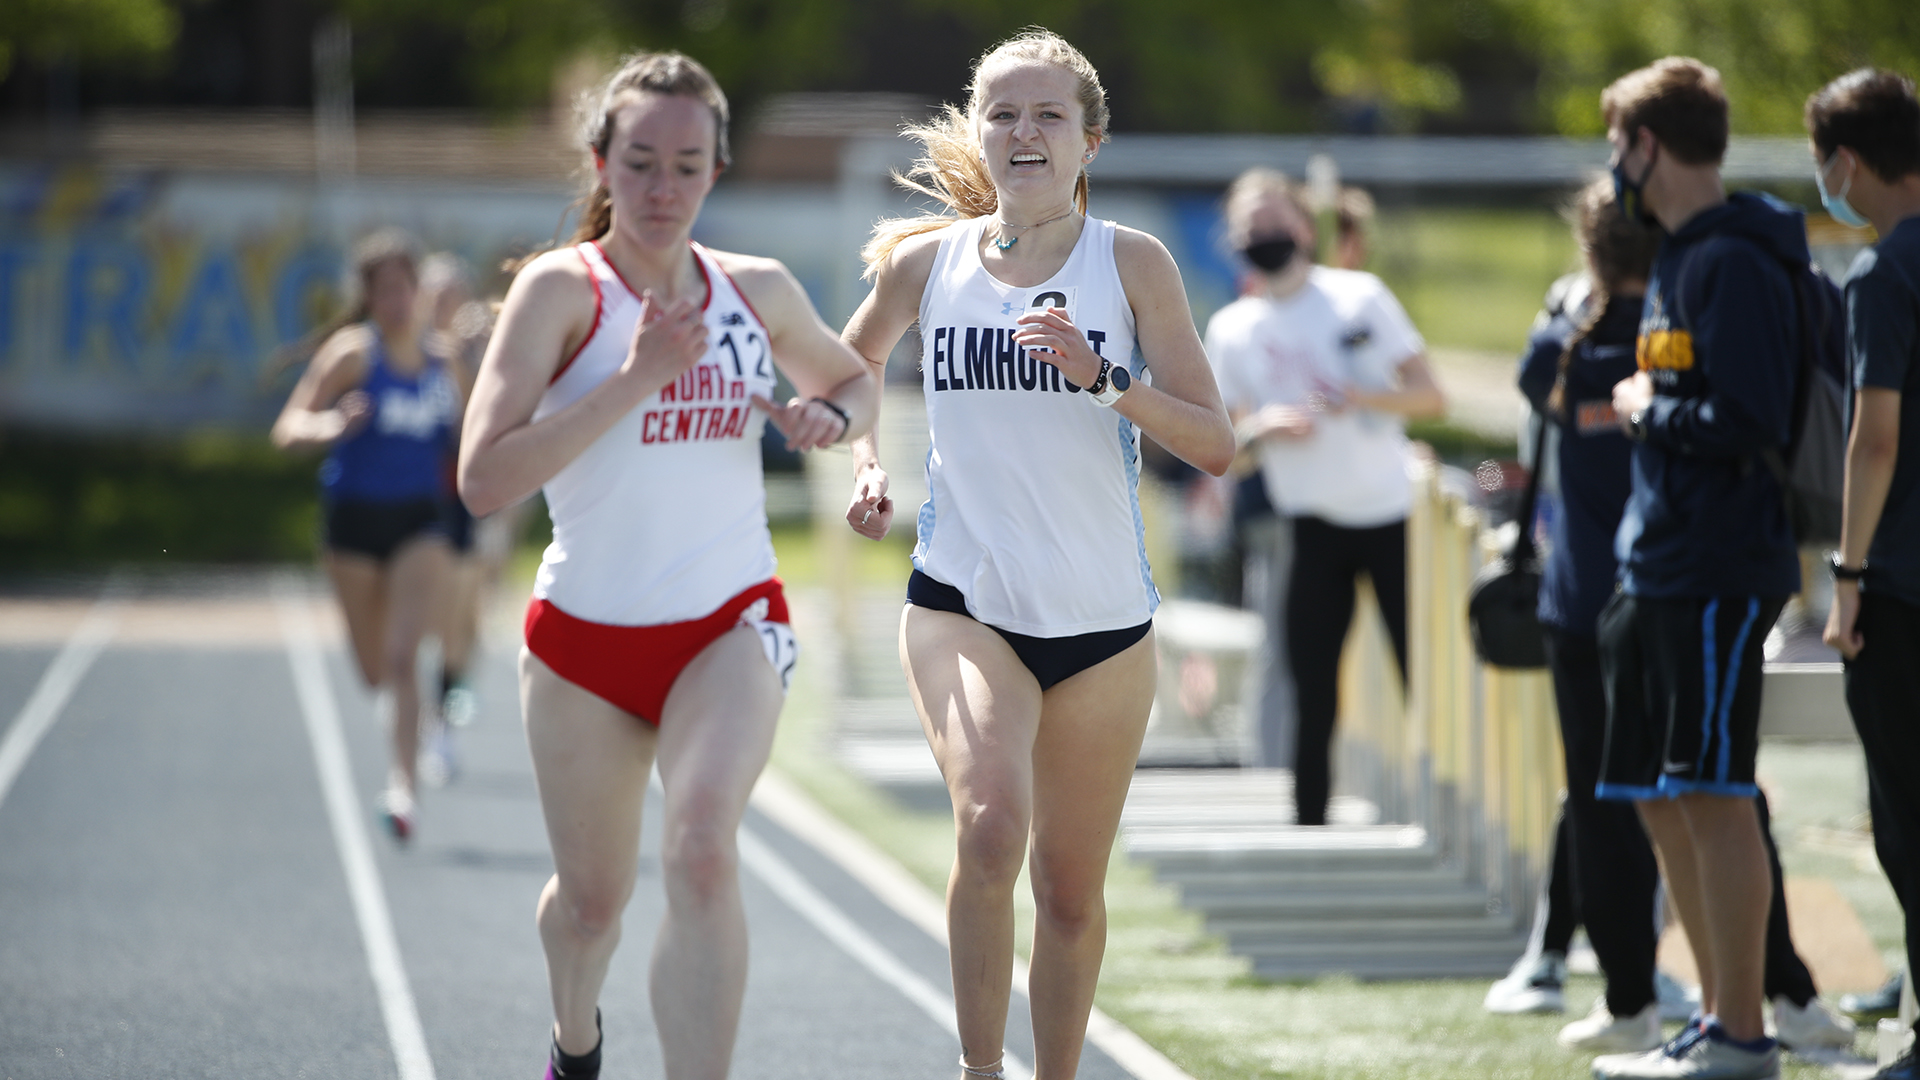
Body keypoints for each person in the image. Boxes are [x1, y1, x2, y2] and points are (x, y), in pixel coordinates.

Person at [455, 52, 876, 1080]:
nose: (661, 189)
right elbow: (481, 479)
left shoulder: (755, 289)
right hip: (584, 648)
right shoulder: (562, 292)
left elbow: (854, 380)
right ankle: (575, 1039)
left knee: (699, 845)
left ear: (716, 173)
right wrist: (638, 378)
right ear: (601, 164)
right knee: (592, 905)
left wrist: (837, 427)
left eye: (686, 166)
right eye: (639, 163)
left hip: (727, 624)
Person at [841, 29, 1233, 1080]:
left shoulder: (1132, 263)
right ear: (977, 132)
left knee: (1067, 891)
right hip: (964, 603)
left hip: (1103, 624)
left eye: (1047, 114)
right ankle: (979, 1070)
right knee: (986, 827)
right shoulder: (929, 265)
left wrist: (1105, 379)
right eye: (1003, 114)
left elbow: (1214, 441)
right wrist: (864, 465)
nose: (1023, 132)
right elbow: (845, 371)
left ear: (1088, 140)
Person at [1487, 179, 1854, 1059]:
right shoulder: (1678, 328)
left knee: (1645, 801)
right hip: (1650, 586)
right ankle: (1774, 992)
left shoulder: (1573, 343)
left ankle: (1649, 1000)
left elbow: (1546, 382)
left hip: (1618, 593)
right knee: (1714, 796)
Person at [1592, 57, 1808, 1080]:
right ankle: (1716, 1018)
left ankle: (1744, 1033)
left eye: (1618, 139)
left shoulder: (1736, 260)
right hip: (1656, 560)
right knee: (1652, 789)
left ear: (1652, 145)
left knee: (1715, 792)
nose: (1611, 163)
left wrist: (1648, 410)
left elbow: (1755, 416)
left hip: (1720, 563)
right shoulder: (1678, 255)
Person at [1203, 167, 1446, 821]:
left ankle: (1445, 815)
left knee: (1423, 676)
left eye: (1275, 223)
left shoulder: (1358, 297)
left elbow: (1431, 396)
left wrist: (1357, 397)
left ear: (1306, 228)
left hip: (1391, 517)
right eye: (1249, 228)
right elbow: (1221, 451)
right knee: (1313, 687)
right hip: (1308, 527)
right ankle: (1309, 822)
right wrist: (1262, 426)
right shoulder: (1232, 329)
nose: (1264, 236)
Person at [272, 228, 461, 842]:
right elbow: (288, 427)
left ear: (419, 292)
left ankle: (402, 789)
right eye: (384, 291)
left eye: (405, 287)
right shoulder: (353, 355)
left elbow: (473, 432)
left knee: (406, 657)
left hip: (419, 522)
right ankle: (407, 732)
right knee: (375, 670)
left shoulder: (444, 359)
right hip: (353, 523)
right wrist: (332, 425)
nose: (398, 300)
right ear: (369, 297)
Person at [1811, 66, 1920, 1080]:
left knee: (1909, 819)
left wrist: (1846, 575)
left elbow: (1873, 442)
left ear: (1848, 160)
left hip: (1904, 588)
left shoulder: (1888, 276)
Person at [418, 251, 494, 734]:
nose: (446, 302)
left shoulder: (473, 354)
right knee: (424, 602)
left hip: (460, 496)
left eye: (454, 294)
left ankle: (448, 693)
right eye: (437, 293)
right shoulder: (404, 349)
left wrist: (466, 358)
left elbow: (479, 422)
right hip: (411, 494)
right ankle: (418, 695)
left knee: (464, 606)